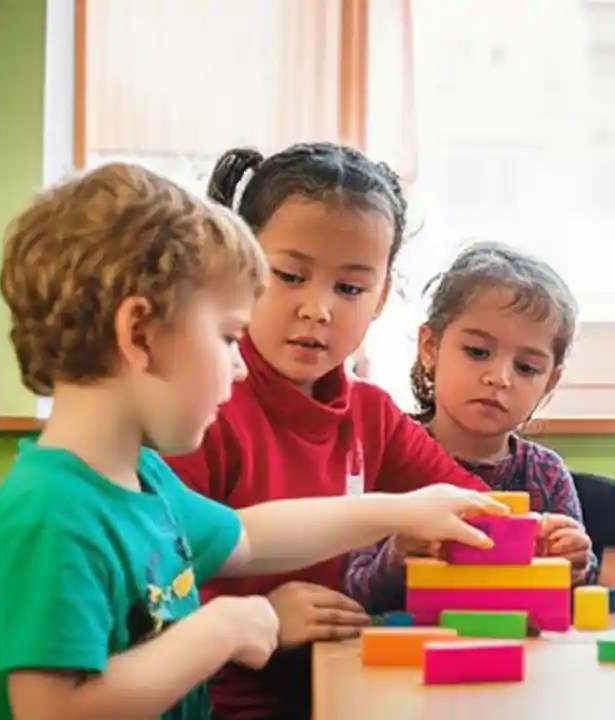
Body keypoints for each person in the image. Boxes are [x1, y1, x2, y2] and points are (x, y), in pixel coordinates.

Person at [0, 163, 504, 720]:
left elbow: (252, 537)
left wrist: (403, 509)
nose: (239, 368)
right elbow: (50, 710)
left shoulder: (143, 481)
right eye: (228, 337)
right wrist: (221, 629)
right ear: (139, 334)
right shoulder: (52, 513)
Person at [161, 143, 489, 719]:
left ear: (382, 296)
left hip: (340, 690)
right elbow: (151, 581)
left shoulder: (370, 414)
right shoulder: (204, 408)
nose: (318, 309)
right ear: (239, 264)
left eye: (350, 289)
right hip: (217, 701)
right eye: (289, 275)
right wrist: (264, 615)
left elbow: (471, 508)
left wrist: (537, 537)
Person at [346, 241, 597, 610]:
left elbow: (571, 602)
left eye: (526, 368)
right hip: (404, 659)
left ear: (550, 381)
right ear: (430, 347)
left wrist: (576, 565)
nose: (499, 378)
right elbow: (353, 591)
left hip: (517, 657)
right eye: (478, 352)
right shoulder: (387, 453)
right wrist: (397, 558)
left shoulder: (545, 473)